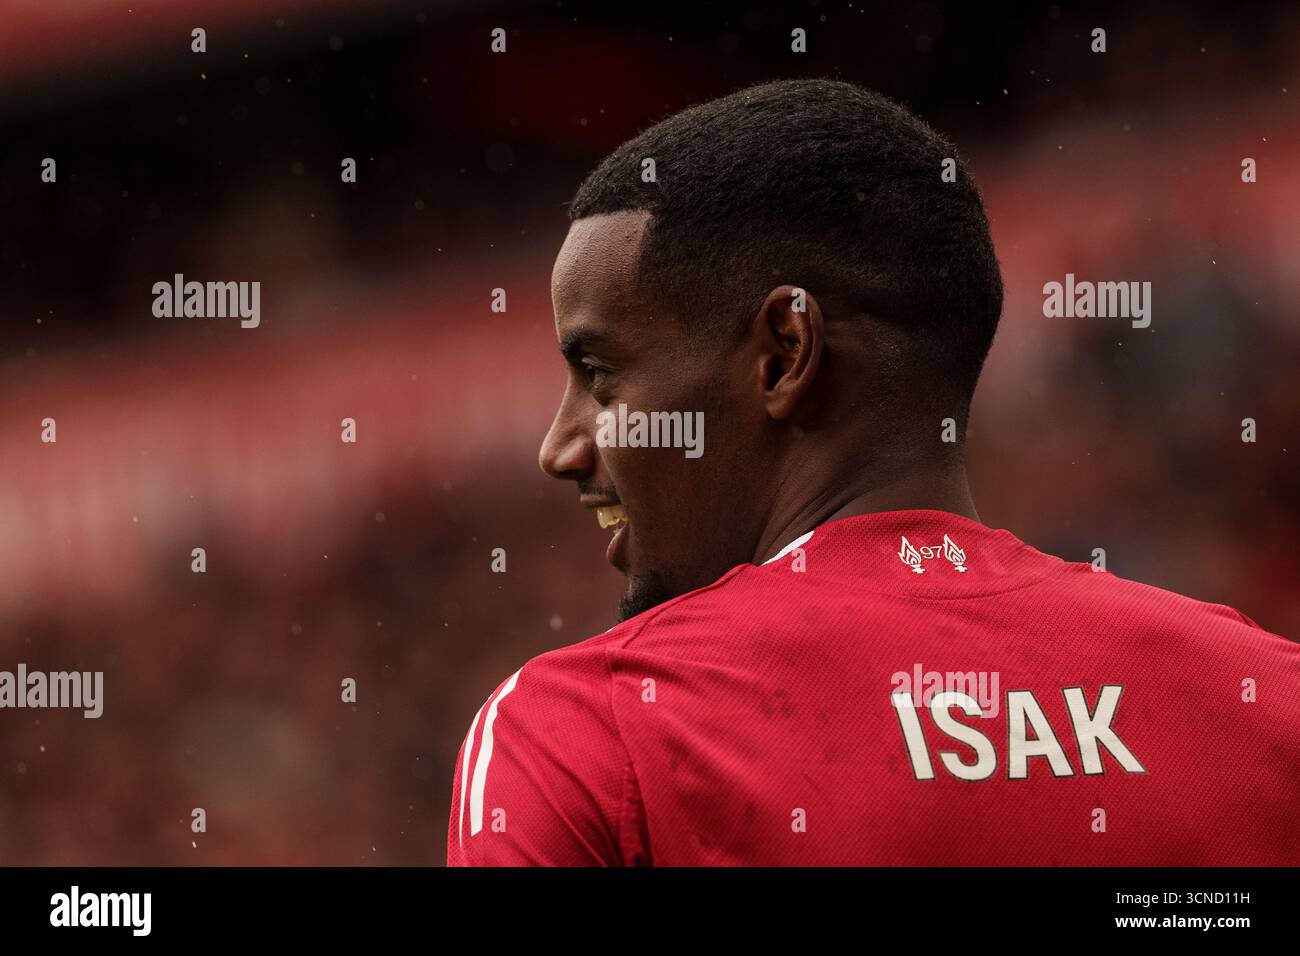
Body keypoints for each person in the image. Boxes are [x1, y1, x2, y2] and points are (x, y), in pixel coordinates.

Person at [446, 79, 1298, 865]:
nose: (559, 448)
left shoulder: (584, 739)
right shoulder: (1267, 702)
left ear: (785, 353)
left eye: (600, 375)